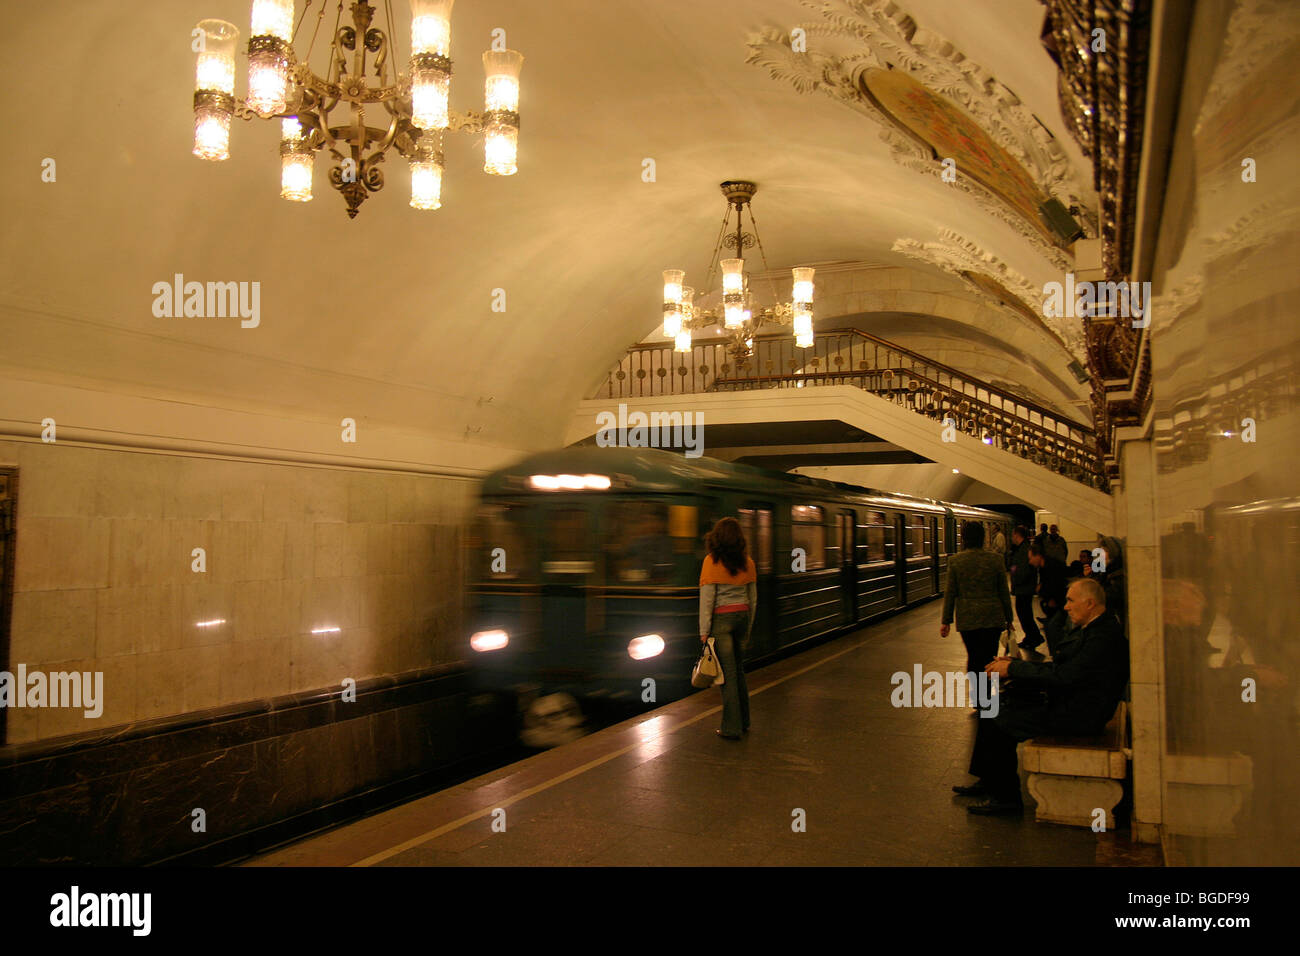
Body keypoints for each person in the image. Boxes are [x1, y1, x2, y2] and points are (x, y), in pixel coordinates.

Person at [955, 577, 1129, 813]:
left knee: (1000, 718)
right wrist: (1014, 665)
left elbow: (1064, 675)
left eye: (1070, 601)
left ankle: (1006, 799)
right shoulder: (1097, 629)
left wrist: (1014, 669)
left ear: (1090, 604)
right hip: (1075, 702)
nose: (1066, 606)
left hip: (1080, 715)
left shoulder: (1102, 637)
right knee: (992, 707)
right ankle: (990, 780)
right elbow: (1064, 670)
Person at [940, 521, 1014, 711]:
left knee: (974, 657)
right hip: (992, 617)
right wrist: (1009, 618)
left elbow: (950, 593)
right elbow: (1003, 592)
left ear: (963, 538)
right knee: (989, 656)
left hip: (967, 619)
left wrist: (946, 621)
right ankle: (989, 695)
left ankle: (978, 698)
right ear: (983, 538)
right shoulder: (996, 560)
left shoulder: (955, 561)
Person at [699, 517, 756, 740]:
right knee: (739, 671)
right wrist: (748, 626)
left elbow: (707, 600)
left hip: (721, 620)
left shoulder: (710, 561)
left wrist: (704, 631)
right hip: (742, 617)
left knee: (727, 675)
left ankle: (731, 727)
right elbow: (753, 598)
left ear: (717, 537)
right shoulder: (747, 562)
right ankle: (745, 721)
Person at [1008, 526, 1043, 652]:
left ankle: (1034, 637)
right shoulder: (1023, 548)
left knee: (1024, 614)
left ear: (1017, 535)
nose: (1012, 538)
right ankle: (1031, 637)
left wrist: (1016, 578)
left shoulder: (1023, 550)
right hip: (1024, 587)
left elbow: (1021, 569)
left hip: (1023, 588)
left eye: (1013, 535)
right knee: (1025, 613)